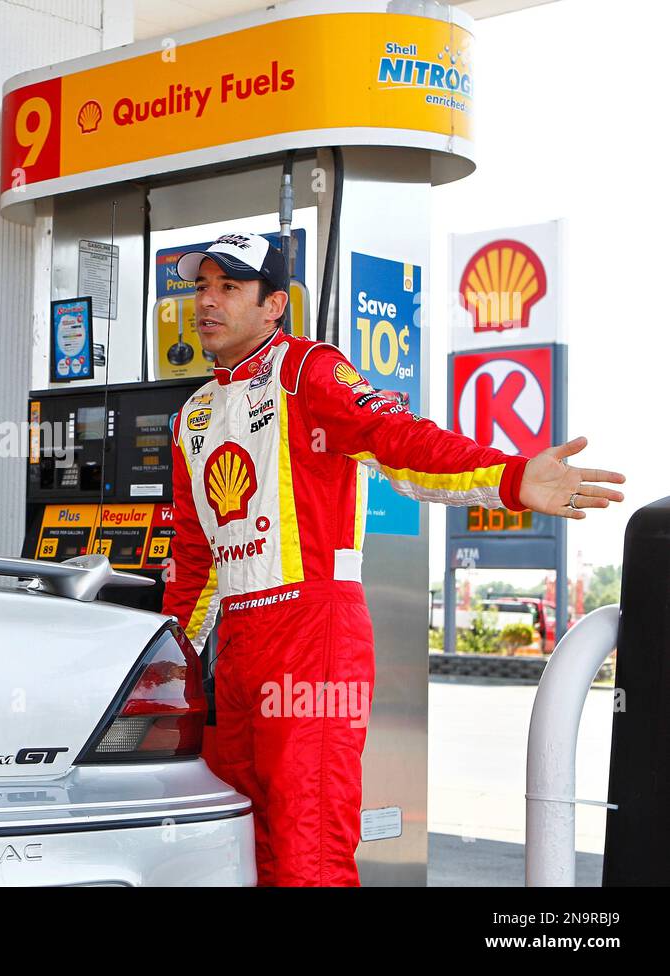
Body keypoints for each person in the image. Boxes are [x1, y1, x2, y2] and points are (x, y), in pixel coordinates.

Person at [161, 232, 626, 886]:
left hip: (311, 631)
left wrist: (511, 476)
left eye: (228, 287)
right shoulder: (193, 415)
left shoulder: (308, 371)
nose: (206, 301)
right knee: (244, 843)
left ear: (272, 307)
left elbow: (397, 440)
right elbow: (192, 557)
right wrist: (171, 660)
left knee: (307, 845)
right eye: (201, 286)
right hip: (236, 644)